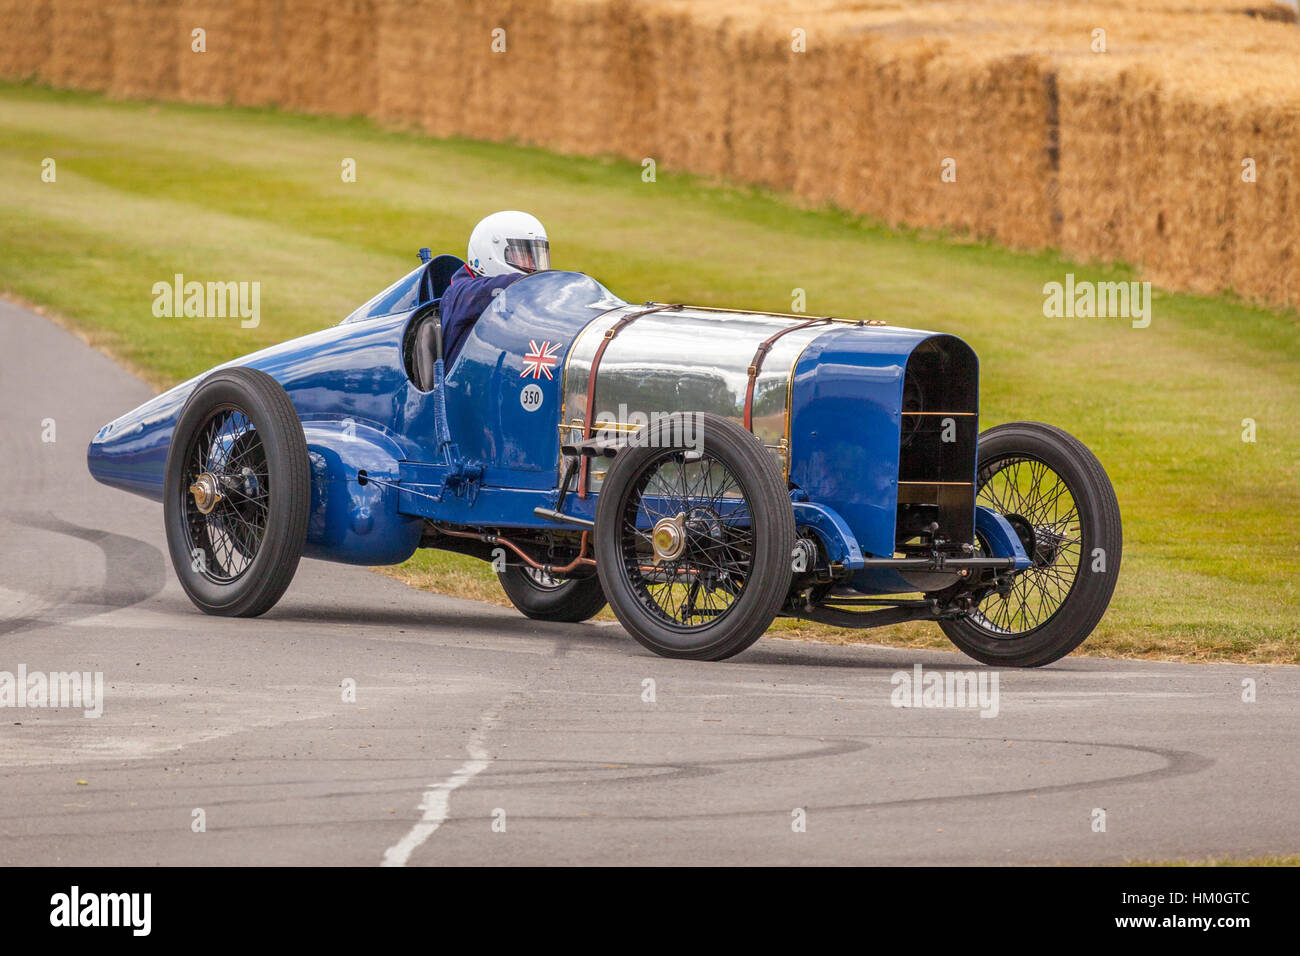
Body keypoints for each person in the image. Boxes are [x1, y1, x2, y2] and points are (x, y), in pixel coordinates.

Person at [438, 211, 550, 363]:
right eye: (523, 256)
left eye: (535, 257)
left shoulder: (523, 289)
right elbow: (498, 288)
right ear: (491, 251)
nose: (532, 266)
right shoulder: (461, 292)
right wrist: (555, 281)